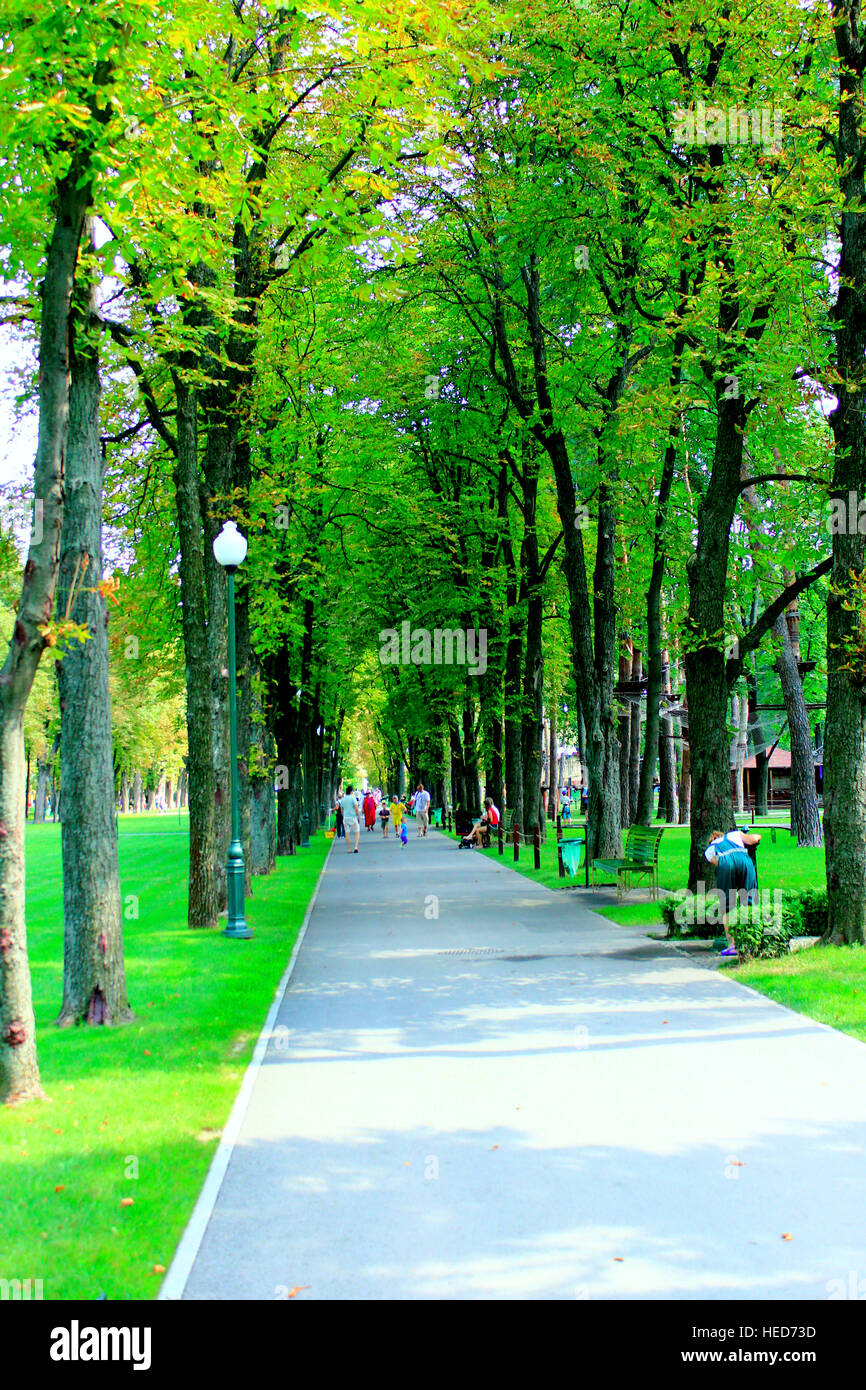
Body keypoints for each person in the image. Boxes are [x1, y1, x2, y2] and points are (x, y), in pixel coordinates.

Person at [705, 827, 762, 958]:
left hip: (725, 864)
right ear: (721, 835)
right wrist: (756, 837)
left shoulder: (709, 850)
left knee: (727, 906)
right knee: (749, 901)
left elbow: (721, 864)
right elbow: (754, 839)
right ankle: (750, 939)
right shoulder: (734, 835)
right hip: (744, 861)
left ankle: (732, 945)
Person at [340, 784, 361, 855]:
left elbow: (341, 809)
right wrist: (358, 817)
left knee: (347, 832)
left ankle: (349, 848)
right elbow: (356, 808)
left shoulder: (343, 799)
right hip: (353, 817)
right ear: (351, 791)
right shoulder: (353, 798)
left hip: (345, 817)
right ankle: (355, 847)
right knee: (357, 831)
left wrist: (343, 815)